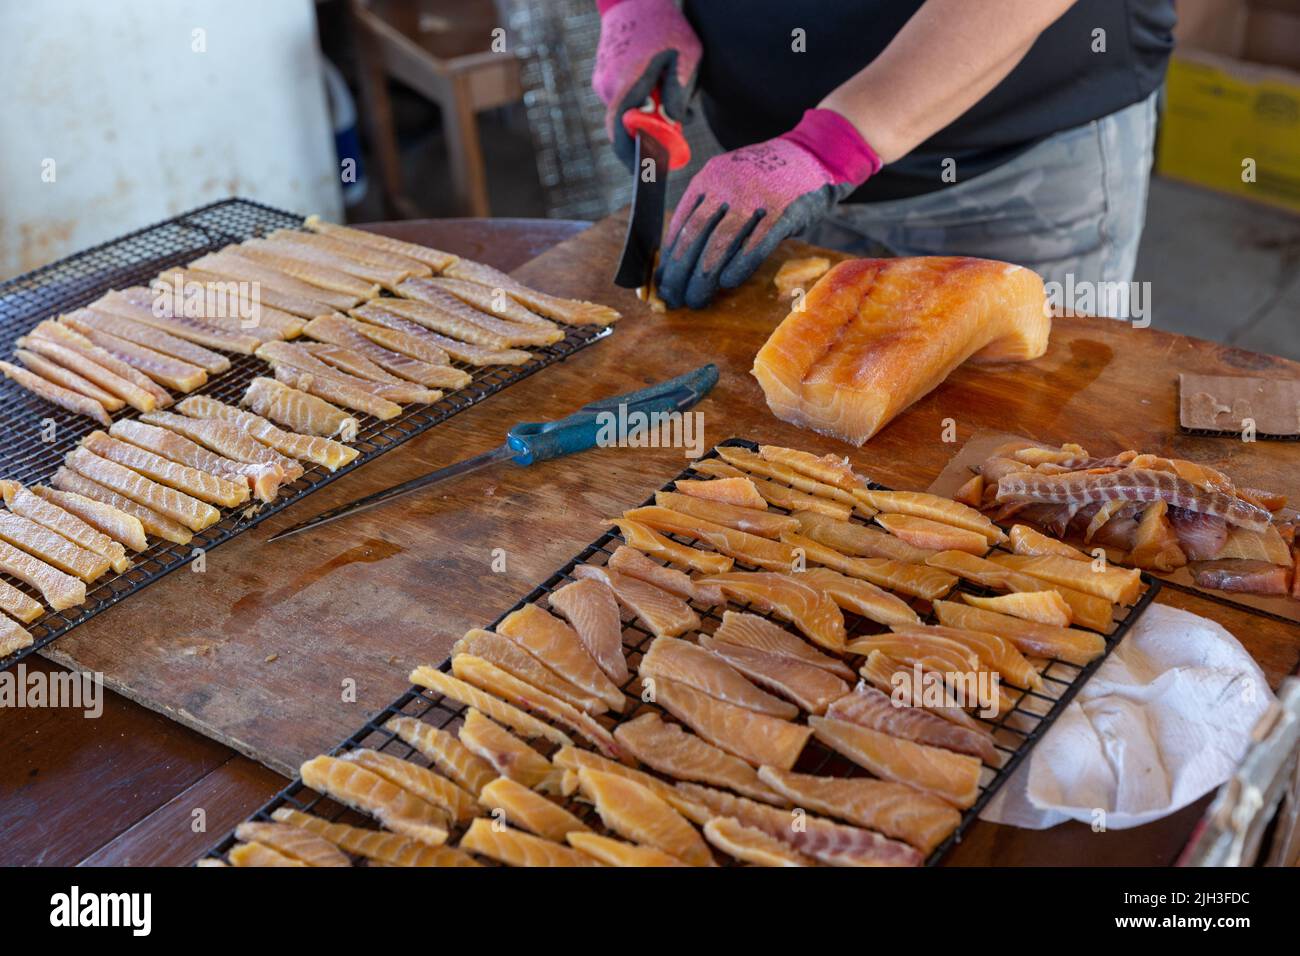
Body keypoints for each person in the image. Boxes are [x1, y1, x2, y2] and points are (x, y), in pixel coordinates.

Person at [592, 0, 1175, 310]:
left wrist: (835, 144)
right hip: (769, 157)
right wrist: (631, 5)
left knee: (1023, 456)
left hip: (1011, 161)